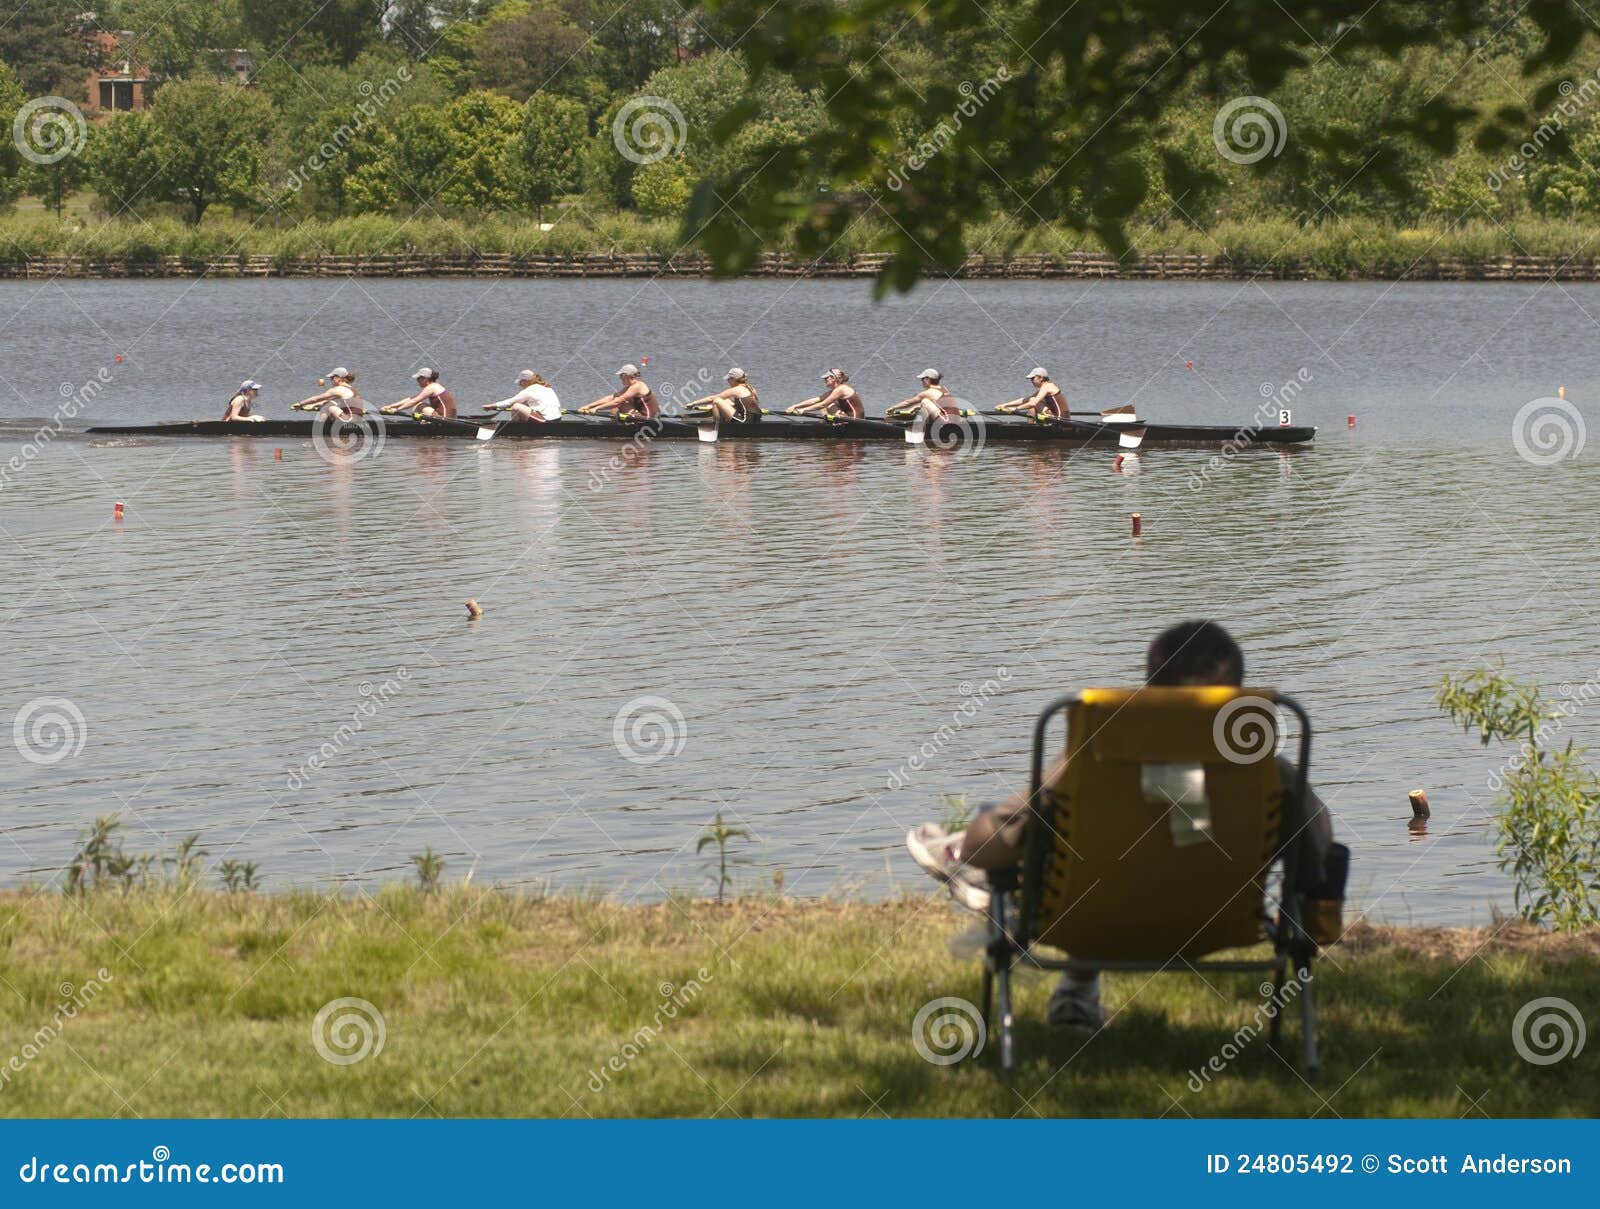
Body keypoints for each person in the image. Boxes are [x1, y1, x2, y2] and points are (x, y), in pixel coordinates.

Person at [905, 620, 1340, 1031]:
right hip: (1222, 926)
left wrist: (978, 845)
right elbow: (1318, 846)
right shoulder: (1269, 774)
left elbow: (990, 842)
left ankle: (982, 886)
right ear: (1237, 697)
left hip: (1091, 922)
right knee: (1169, 839)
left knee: (1059, 845)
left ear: (1151, 694)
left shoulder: (1087, 765)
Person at [580, 364, 659, 419]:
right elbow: (610, 398)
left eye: (621, 375)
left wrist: (596, 409)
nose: (620, 378)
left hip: (649, 419)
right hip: (643, 416)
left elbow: (617, 402)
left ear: (626, 375)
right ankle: (615, 426)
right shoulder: (630, 387)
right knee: (616, 403)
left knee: (619, 403)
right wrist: (588, 406)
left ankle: (616, 429)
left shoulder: (637, 386)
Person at [886, 368, 960, 427]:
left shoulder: (928, 393)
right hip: (956, 421)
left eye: (922, 379)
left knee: (924, 401)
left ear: (927, 379)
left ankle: (926, 428)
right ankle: (930, 425)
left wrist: (893, 408)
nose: (921, 381)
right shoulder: (944, 388)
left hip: (946, 423)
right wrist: (914, 408)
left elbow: (908, 402)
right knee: (923, 403)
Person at [688, 368, 761, 424]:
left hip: (744, 422)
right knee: (726, 401)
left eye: (729, 379)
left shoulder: (736, 389)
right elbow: (751, 406)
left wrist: (693, 403)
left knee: (716, 401)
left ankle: (718, 427)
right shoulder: (751, 388)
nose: (727, 381)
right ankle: (724, 421)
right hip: (756, 420)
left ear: (734, 379)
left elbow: (712, 398)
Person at [787, 368, 865, 419]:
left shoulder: (841, 389)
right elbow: (815, 400)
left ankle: (832, 422)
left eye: (826, 378)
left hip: (856, 420)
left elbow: (823, 404)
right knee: (826, 405)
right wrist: (795, 406)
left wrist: (803, 410)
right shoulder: (836, 390)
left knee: (826, 405)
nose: (825, 380)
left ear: (833, 378)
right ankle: (829, 422)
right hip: (850, 419)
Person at [381, 367, 456, 419]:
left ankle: (422, 426)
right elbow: (411, 399)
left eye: (418, 378)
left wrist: (397, 410)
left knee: (419, 405)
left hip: (445, 420)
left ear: (425, 379)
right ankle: (424, 422)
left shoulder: (431, 387)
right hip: (448, 418)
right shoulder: (434, 386)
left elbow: (414, 401)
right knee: (420, 404)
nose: (417, 381)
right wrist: (391, 406)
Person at [292, 368, 365, 420]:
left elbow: (316, 398)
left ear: (338, 378)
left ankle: (319, 432)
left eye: (331, 378)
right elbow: (327, 401)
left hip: (349, 420)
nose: (331, 380)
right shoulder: (352, 389)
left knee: (328, 406)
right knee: (331, 403)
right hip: (359, 420)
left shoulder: (337, 389)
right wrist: (312, 405)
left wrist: (300, 403)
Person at [489, 370, 562, 423]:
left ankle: (516, 429)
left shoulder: (529, 390)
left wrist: (491, 406)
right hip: (557, 419)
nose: (520, 385)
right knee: (523, 404)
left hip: (546, 421)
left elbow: (510, 402)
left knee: (516, 406)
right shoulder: (548, 388)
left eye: (520, 382)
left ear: (525, 381)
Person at [995, 367, 1067, 419]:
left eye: (1033, 378)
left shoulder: (1047, 387)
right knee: (1031, 401)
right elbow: (1026, 400)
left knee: (1032, 402)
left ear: (1041, 378)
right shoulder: (1046, 386)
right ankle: (1032, 428)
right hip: (1056, 417)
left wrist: (1016, 409)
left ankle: (1031, 430)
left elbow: (1033, 403)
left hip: (1061, 419)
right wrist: (1005, 405)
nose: (1031, 381)